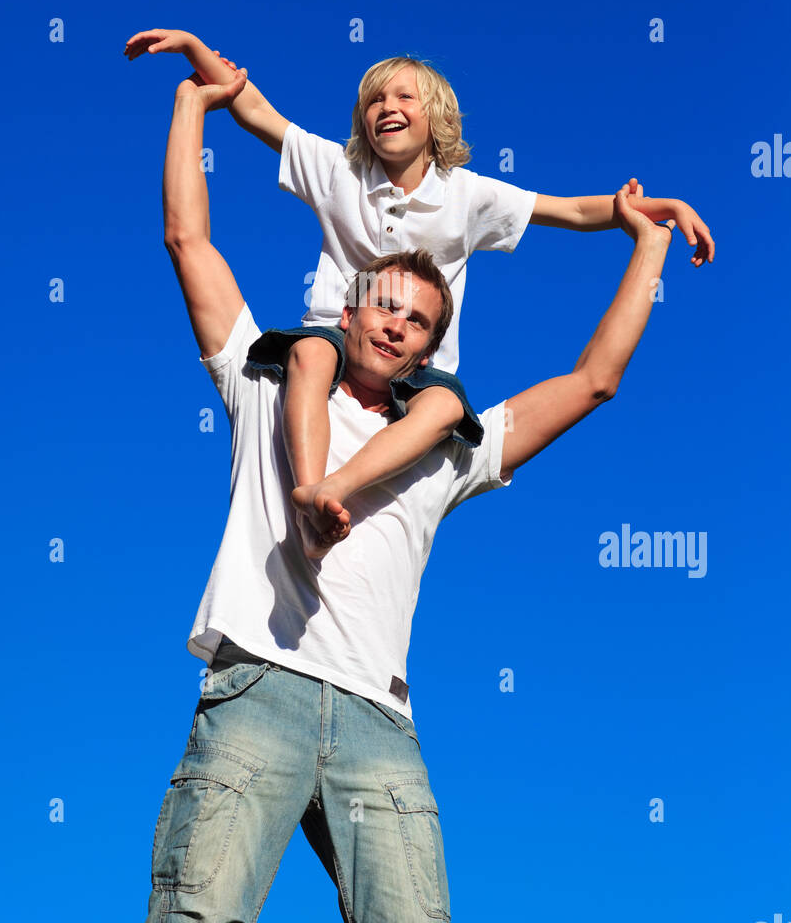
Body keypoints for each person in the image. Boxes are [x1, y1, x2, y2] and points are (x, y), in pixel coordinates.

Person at [140, 68, 678, 923]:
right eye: (383, 305)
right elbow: (187, 240)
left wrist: (645, 250)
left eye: (420, 321)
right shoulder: (266, 386)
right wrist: (189, 107)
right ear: (345, 311)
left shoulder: (445, 451)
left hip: (381, 726)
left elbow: (592, 382)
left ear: (434, 345)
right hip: (257, 693)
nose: (396, 323)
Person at [125, 28, 713, 562]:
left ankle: (341, 485)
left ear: (437, 119)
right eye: (376, 100)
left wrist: (647, 211)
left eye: (405, 98)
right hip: (333, 330)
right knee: (309, 353)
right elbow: (252, 109)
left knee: (446, 409)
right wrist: (198, 53)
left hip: (422, 367)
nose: (388, 107)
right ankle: (310, 490)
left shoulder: (469, 195)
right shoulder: (340, 169)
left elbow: (572, 210)